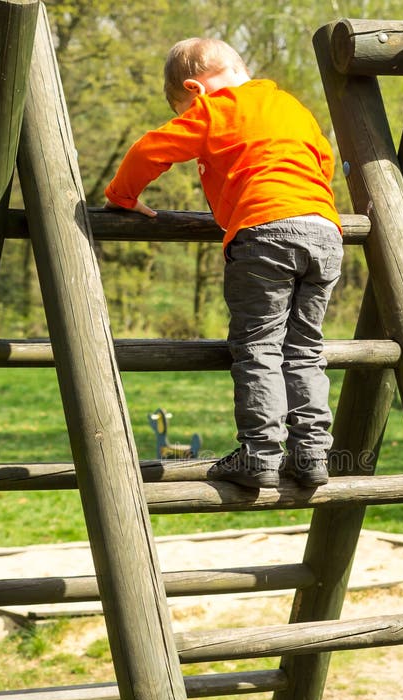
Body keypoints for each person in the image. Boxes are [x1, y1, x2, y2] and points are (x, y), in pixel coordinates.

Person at [104, 37, 343, 489]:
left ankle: (260, 455)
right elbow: (323, 161)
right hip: (324, 233)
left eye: (183, 111)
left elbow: (149, 151)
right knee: (306, 348)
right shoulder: (292, 107)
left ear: (195, 90)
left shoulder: (216, 109)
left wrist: (122, 196)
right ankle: (312, 454)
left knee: (259, 346)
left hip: (264, 232)